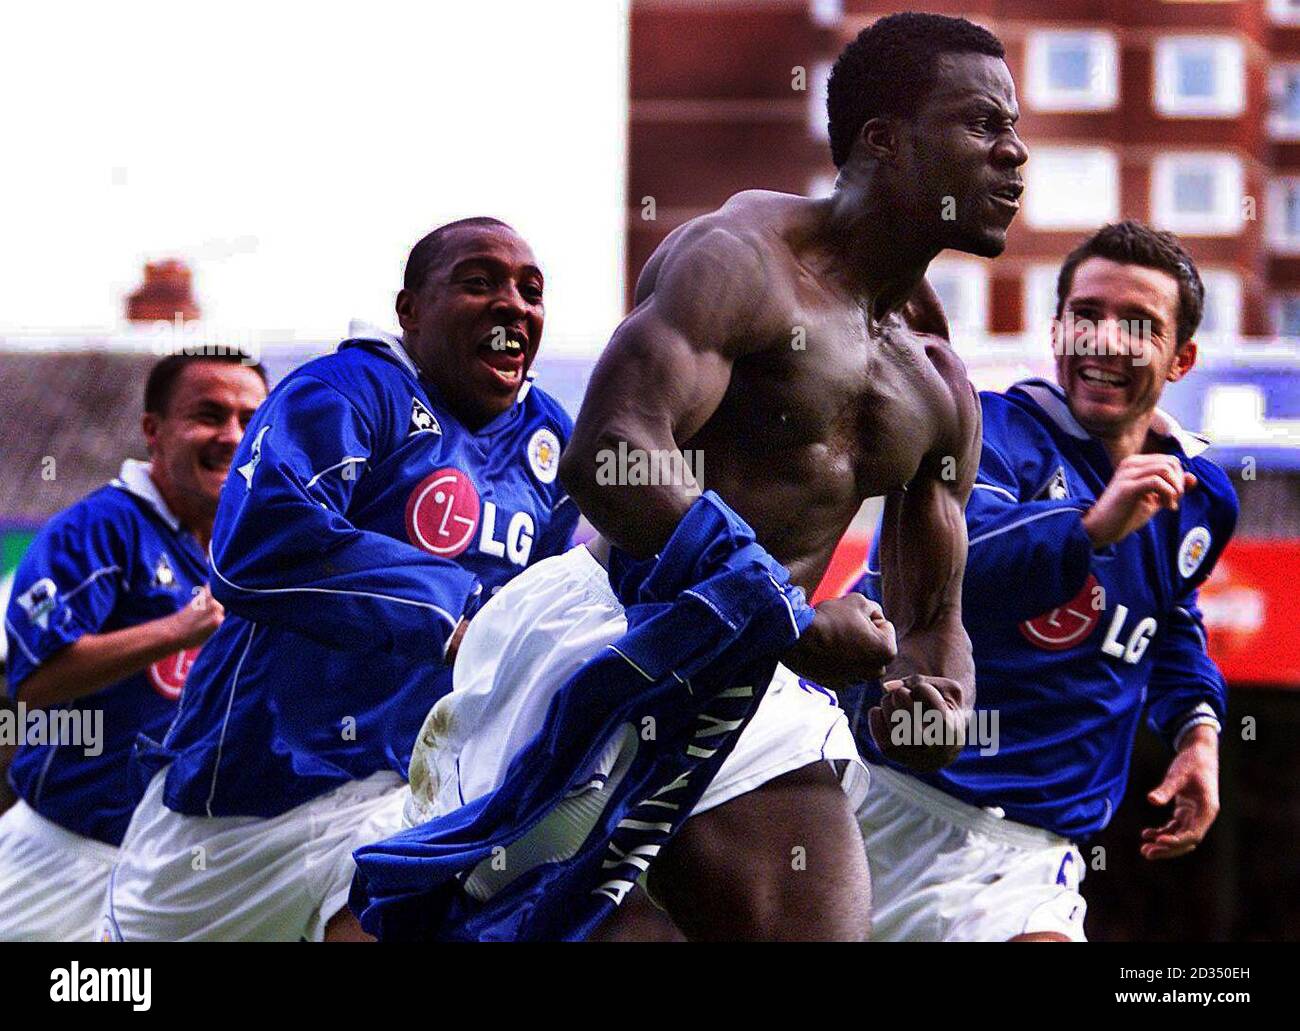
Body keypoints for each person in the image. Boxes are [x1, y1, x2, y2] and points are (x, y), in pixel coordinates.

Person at [390, 12, 1027, 941]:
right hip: (607, 634)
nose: (1013, 156)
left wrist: (934, 704)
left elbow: (934, 616)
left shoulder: (935, 379)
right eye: (982, 125)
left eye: (1016, 132)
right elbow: (610, 453)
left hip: (758, 675)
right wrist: (788, 610)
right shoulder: (738, 260)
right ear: (884, 142)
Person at [102, 218, 579, 941]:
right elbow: (259, 540)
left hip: (399, 786)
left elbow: (548, 606)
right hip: (236, 801)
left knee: (406, 906)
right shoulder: (345, 391)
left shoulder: (549, 442)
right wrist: (451, 614)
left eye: (531, 291)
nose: (513, 304)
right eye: (479, 283)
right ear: (409, 311)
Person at [854, 221, 1239, 941]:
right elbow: (943, 573)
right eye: (1086, 315)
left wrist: (1198, 730)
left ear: (1182, 357)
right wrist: (1089, 527)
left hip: (1028, 857)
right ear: (1056, 328)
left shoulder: (1201, 495)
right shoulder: (986, 431)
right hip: (879, 801)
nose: (1103, 341)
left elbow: (1172, 617)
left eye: (1138, 324)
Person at [0, 351, 267, 940]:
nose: (232, 436)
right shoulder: (98, 529)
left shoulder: (257, 545)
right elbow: (35, 685)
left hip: (186, 865)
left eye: (250, 419)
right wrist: (177, 629)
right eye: (209, 415)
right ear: (154, 430)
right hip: (67, 855)